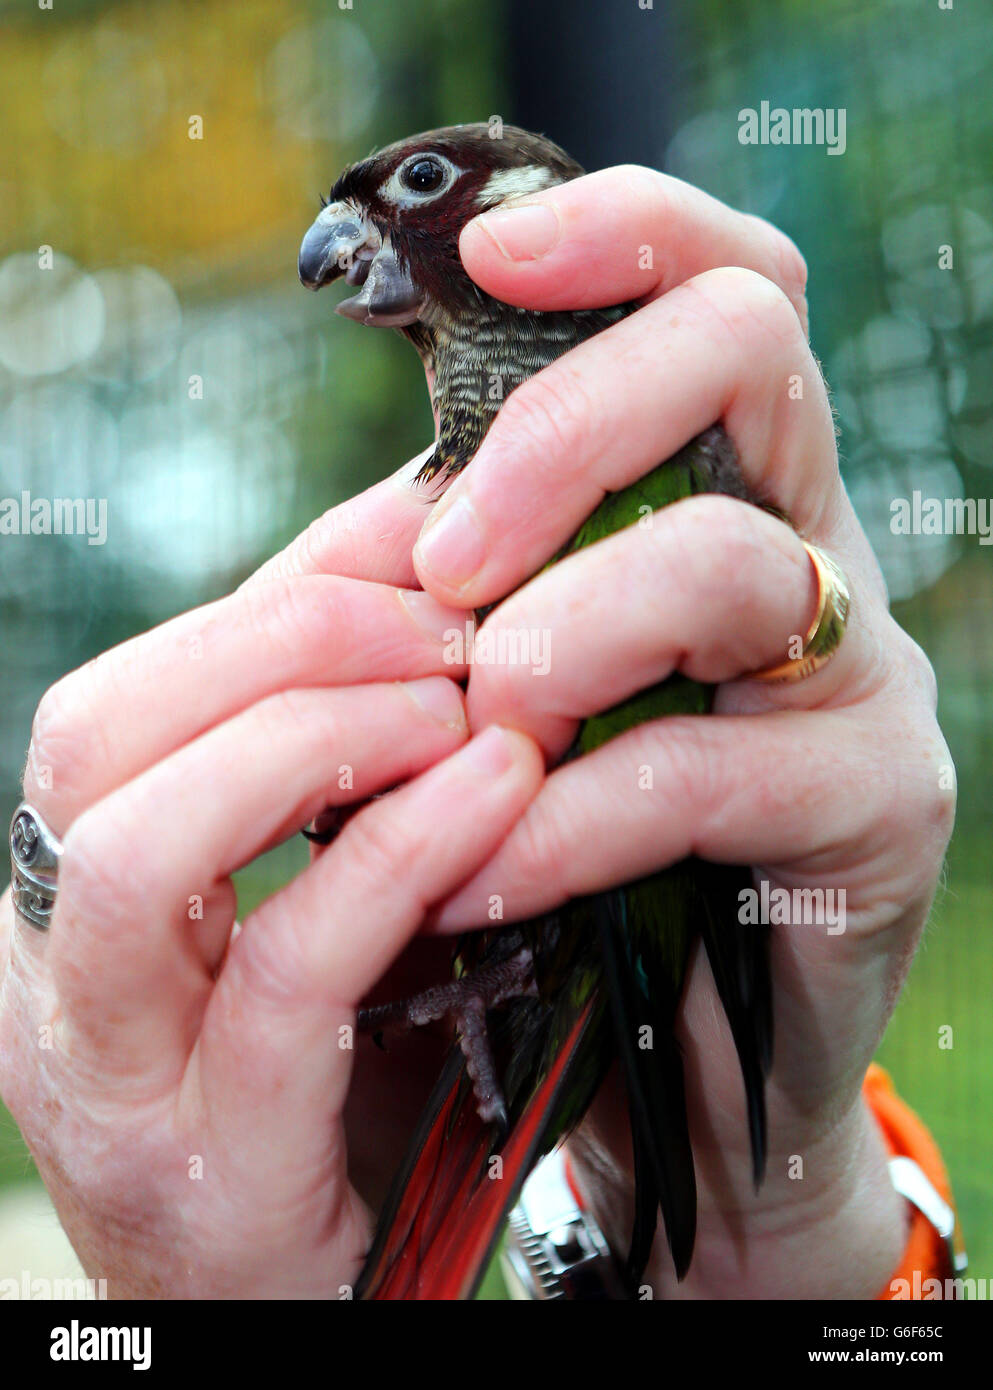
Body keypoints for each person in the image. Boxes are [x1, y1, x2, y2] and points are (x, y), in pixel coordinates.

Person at [0, 167, 957, 1299]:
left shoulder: (653, 471)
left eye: (417, 185)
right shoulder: (445, 515)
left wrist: (779, 1218)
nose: (340, 239)